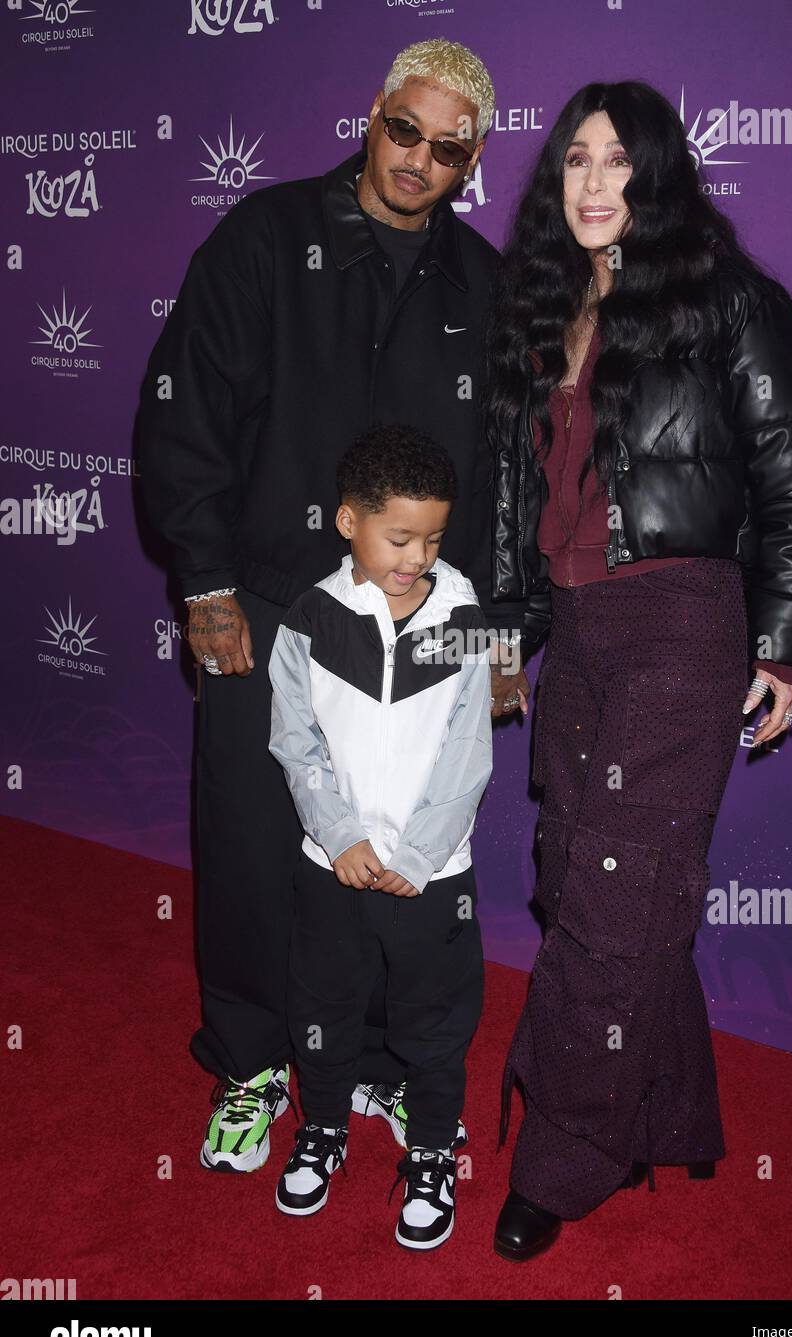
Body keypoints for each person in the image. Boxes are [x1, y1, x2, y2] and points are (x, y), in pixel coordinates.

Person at [137, 38, 536, 1173]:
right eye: (403, 130)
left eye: (447, 147)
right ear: (372, 116)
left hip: (418, 628)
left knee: (393, 851)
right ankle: (257, 1060)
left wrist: (498, 631)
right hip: (264, 605)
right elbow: (183, 417)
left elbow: (513, 473)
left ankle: (361, 1056)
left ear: (472, 160)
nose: (417, 160)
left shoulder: (485, 286)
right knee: (260, 848)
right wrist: (205, 580)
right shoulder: (262, 240)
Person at [481, 80, 792, 1259]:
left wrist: (783, 648)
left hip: (686, 623)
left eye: (620, 162)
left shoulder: (728, 300)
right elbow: (517, 496)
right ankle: (664, 1107)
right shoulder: (548, 309)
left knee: (610, 896)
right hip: (580, 632)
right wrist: (503, 629)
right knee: (581, 881)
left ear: (661, 174)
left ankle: (566, 1158)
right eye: (577, 161)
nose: (595, 184)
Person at [267, 423, 492, 1250]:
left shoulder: (468, 612)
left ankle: (431, 1151)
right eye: (398, 538)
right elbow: (295, 741)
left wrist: (420, 857)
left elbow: (471, 748)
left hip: (432, 875)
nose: (416, 557)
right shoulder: (308, 617)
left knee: (434, 1022)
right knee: (321, 1007)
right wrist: (339, 835)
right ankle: (321, 1127)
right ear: (346, 522)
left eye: (432, 539)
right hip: (332, 864)